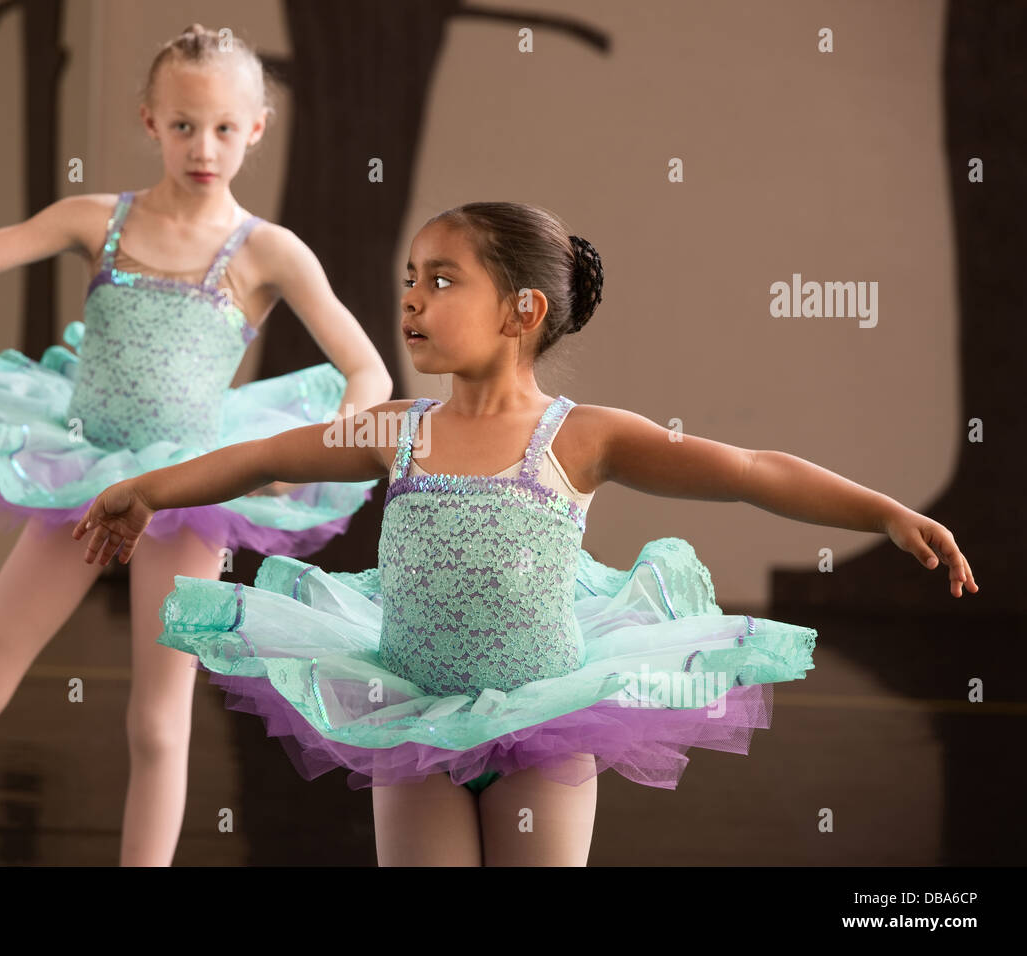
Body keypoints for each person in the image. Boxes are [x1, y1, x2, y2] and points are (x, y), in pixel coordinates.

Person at [72, 201, 977, 866]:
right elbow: (265, 453)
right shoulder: (397, 430)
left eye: (440, 279)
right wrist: (146, 489)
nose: (413, 300)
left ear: (523, 310)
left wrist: (882, 511)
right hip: (411, 719)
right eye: (409, 280)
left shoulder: (583, 436)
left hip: (545, 724)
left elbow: (748, 470)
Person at [0, 24, 391, 867]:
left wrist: (309, 451)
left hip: (188, 492)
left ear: (256, 127)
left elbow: (368, 374)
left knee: (156, 721)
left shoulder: (268, 252)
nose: (201, 146)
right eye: (182, 125)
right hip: (83, 470)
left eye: (221, 127)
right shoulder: (96, 219)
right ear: (149, 122)